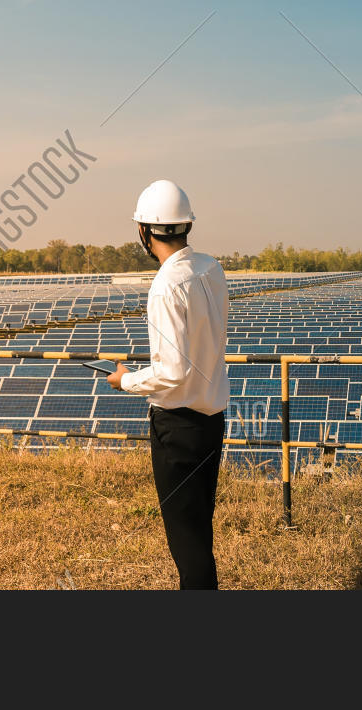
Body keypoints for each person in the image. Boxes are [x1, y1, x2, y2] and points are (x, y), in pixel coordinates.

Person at [108, 180, 230, 589]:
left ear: (143, 231)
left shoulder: (165, 285)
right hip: (211, 420)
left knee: (185, 539)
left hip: (178, 428)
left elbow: (173, 370)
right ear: (186, 225)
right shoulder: (211, 268)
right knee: (199, 527)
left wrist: (126, 380)